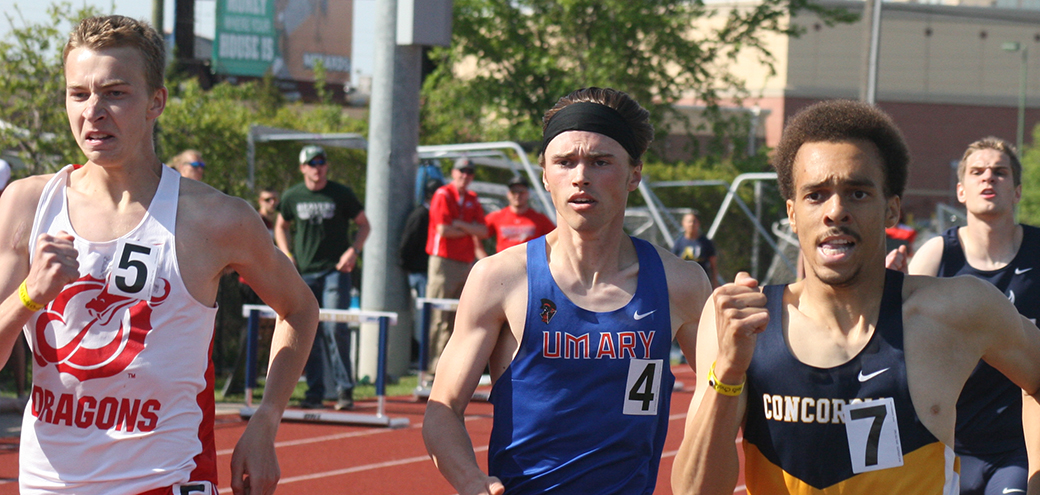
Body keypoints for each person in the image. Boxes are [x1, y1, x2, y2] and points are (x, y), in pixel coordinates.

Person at [0, 15, 318, 495]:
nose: (94, 111)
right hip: (50, 484)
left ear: (156, 102)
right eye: (78, 94)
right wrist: (29, 295)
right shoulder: (27, 205)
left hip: (169, 479)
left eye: (115, 92)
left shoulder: (215, 218)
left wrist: (266, 418)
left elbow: (299, 308)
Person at [671, 100, 1040, 495]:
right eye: (816, 195)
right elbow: (694, 491)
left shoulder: (958, 310)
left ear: (891, 209)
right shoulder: (742, 323)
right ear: (792, 214)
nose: (836, 211)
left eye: (858, 193)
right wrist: (727, 373)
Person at [423, 87, 712, 495]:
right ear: (544, 173)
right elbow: (442, 410)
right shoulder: (500, 278)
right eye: (565, 162)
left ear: (634, 174)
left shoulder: (680, 283)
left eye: (600, 161)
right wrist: (471, 481)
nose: (580, 176)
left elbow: (725, 397)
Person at [888, 137, 1035, 495]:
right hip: (950, 442)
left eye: (1000, 173)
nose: (989, 179)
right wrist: (885, 290)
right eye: (977, 172)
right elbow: (894, 340)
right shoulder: (938, 255)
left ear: (1016, 191)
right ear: (960, 191)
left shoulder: (1038, 251)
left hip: (1018, 447)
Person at [275, 145, 370, 410]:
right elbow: (281, 225)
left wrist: (353, 251)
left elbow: (364, 224)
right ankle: (314, 392)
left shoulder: (341, 194)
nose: (318, 168)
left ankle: (344, 391)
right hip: (304, 272)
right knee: (308, 331)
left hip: (334, 271)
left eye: (322, 162)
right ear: (303, 167)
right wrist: (286, 254)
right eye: (312, 163)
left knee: (335, 326)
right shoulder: (293, 195)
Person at [423, 157, 488, 381]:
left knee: (460, 319)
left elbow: (484, 231)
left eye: (469, 172)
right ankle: (433, 368)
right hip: (443, 261)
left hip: (465, 262)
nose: (465, 176)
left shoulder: (472, 197)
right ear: (453, 172)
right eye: (461, 171)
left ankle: (450, 369)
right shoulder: (443, 194)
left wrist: (460, 225)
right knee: (439, 316)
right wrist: (469, 229)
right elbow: (444, 230)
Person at [400, 178, 443, 364]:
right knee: (423, 318)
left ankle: (423, 358)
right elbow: (407, 242)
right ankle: (420, 359)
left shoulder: (432, 213)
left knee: (431, 317)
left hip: (425, 271)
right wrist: (409, 265)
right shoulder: (420, 215)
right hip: (420, 272)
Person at [482, 175, 555, 253]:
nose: (517, 196)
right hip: (504, 262)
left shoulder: (539, 219)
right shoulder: (497, 216)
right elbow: (477, 234)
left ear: (527, 194)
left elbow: (556, 239)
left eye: (521, 192)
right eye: (514, 192)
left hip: (529, 263)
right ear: (508, 194)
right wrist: (483, 258)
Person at [671, 210, 719, 288]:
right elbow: (673, 264)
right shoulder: (679, 243)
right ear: (683, 223)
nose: (691, 224)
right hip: (683, 284)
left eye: (694, 221)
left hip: (702, 283)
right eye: (689, 222)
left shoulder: (706, 242)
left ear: (698, 223)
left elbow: (713, 265)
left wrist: (715, 284)